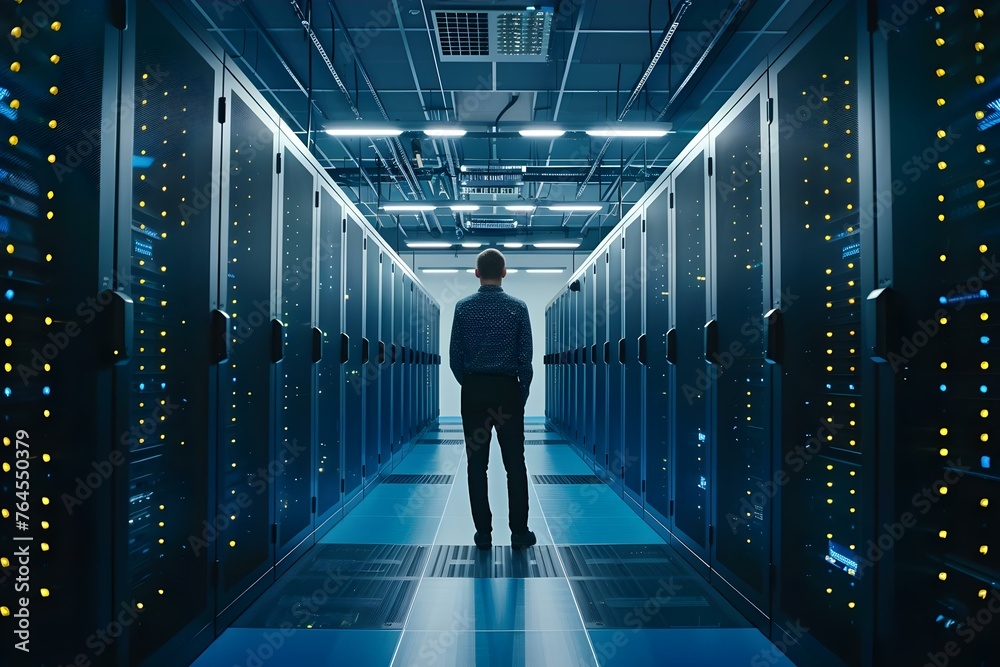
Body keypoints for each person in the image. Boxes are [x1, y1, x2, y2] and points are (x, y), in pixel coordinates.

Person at [449, 248, 536, 550]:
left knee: (477, 464)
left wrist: (471, 384)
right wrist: (520, 393)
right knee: (515, 464)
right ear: (503, 272)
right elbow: (525, 358)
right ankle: (519, 533)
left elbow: (455, 357)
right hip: (507, 391)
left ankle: (483, 533)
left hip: (474, 390)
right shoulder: (518, 308)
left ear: (476, 273)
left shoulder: (463, 308)